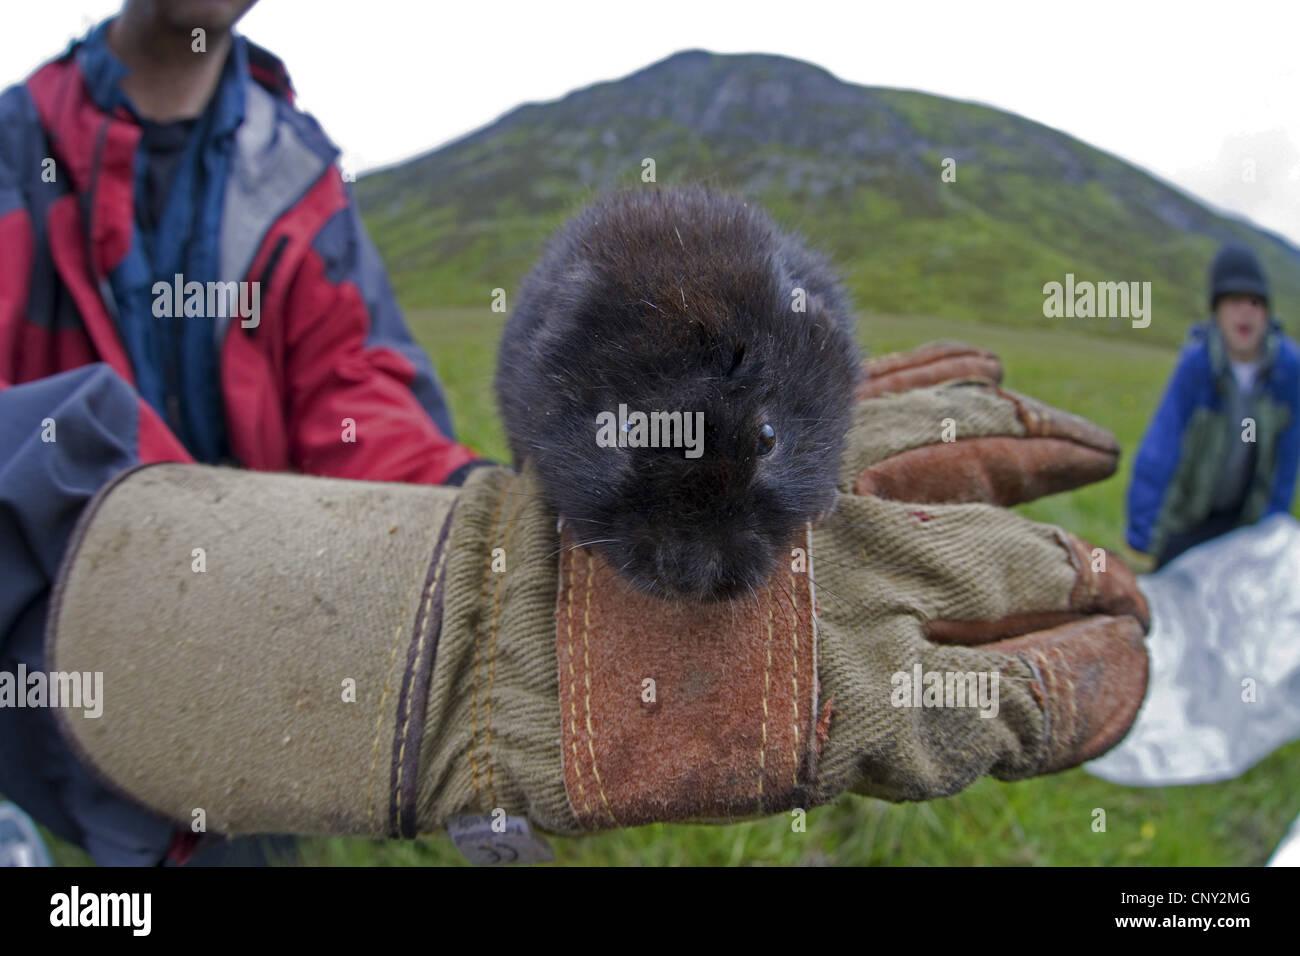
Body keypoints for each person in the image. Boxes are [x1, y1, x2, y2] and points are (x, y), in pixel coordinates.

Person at [0, 0, 491, 865]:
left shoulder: (297, 176)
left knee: (240, 842)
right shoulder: (14, 151)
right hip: (55, 635)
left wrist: (483, 515)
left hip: (254, 657)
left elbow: (356, 400)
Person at [1127, 243, 1300, 570]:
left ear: (1267, 312)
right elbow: (1161, 445)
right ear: (1217, 311)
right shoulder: (1198, 364)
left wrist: (1272, 525)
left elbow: (1288, 455)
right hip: (1190, 519)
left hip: (1242, 523)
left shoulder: (1287, 369)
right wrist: (1143, 533)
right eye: (1234, 301)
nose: (1245, 312)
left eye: (1255, 302)